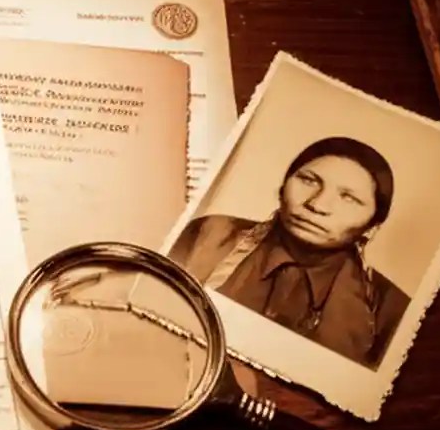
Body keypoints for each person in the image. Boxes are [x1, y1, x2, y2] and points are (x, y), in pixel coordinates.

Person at [167, 136, 410, 369]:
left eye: (348, 197)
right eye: (308, 180)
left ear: (372, 227)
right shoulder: (210, 235)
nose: (317, 205)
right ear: (282, 188)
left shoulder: (390, 310)